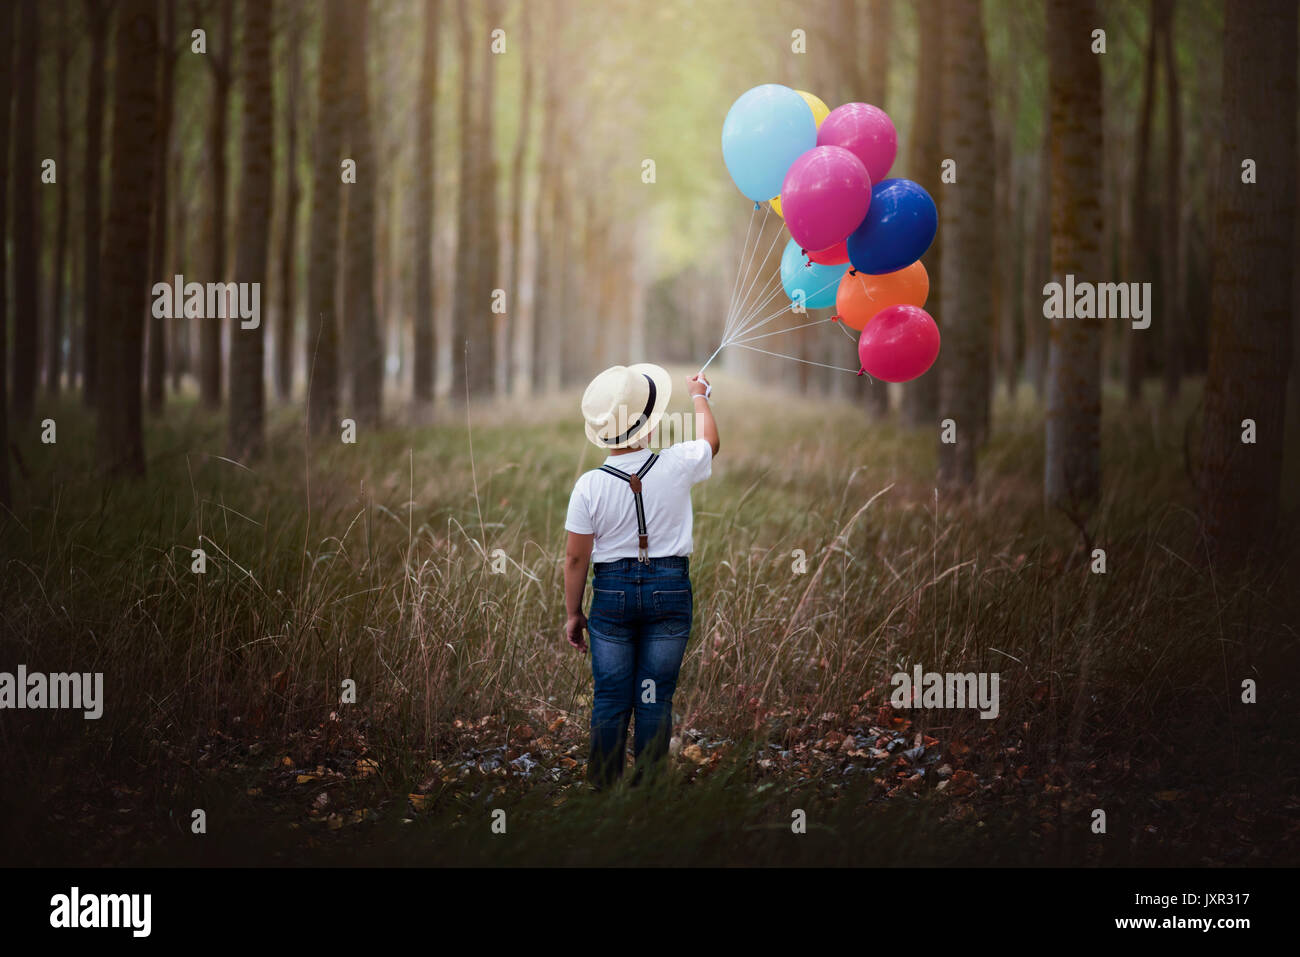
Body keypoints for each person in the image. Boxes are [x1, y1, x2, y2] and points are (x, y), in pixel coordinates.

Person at [563, 364, 720, 789]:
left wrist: (574, 613)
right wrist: (699, 395)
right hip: (669, 588)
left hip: (610, 597)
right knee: (654, 695)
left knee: (611, 696)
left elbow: (576, 560)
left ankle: (602, 793)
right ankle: (648, 792)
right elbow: (710, 442)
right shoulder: (676, 463)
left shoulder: (588, 487)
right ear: (649, 427)